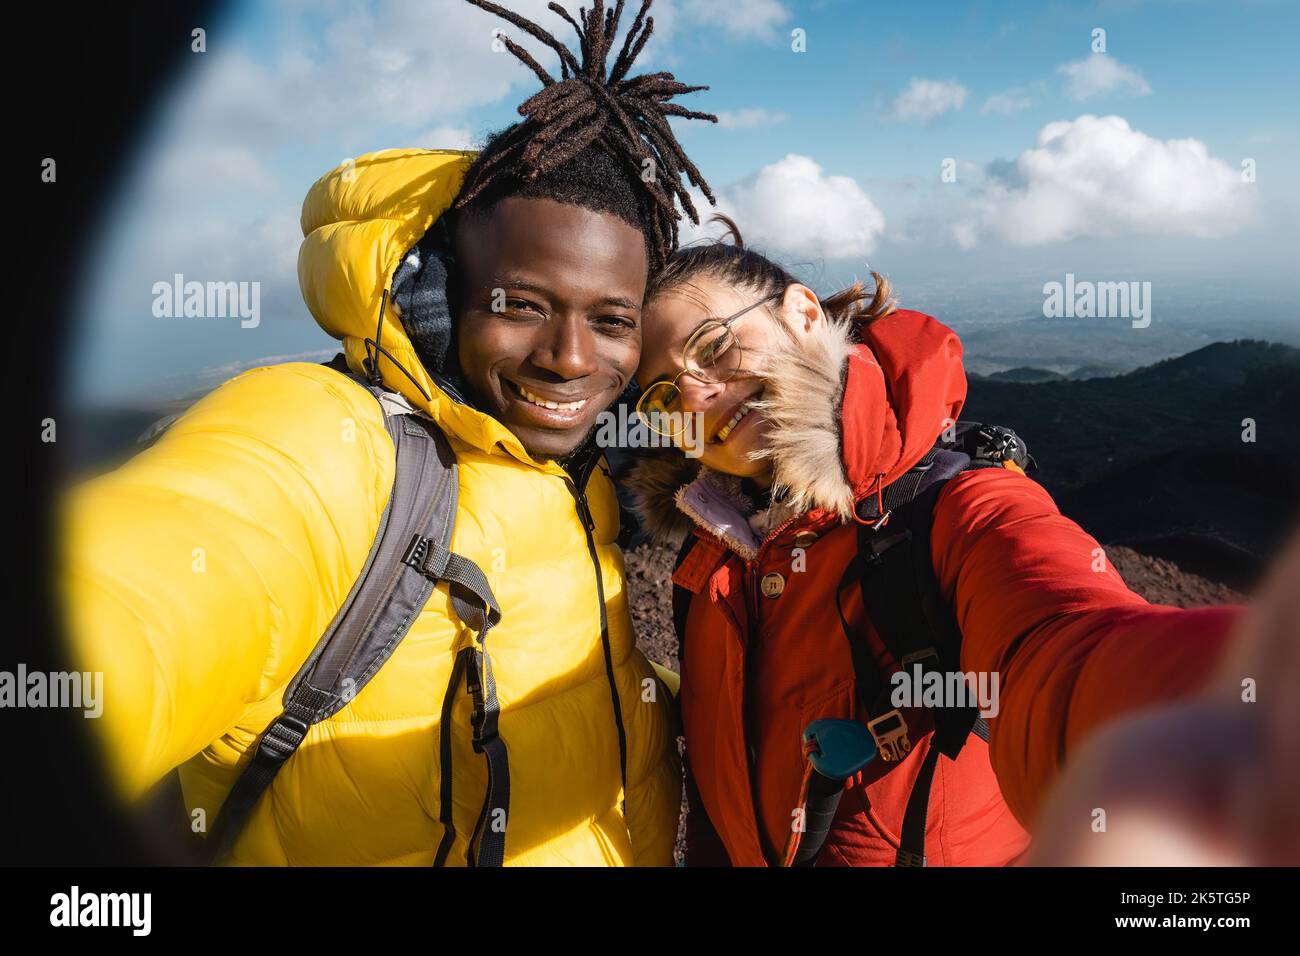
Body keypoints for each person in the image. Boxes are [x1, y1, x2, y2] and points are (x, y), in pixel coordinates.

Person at [60, 0, 716, 866]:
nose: (568, 358)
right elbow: (137, 597)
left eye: (611, 320)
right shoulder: (325, 444)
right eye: (520, 305)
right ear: (440, 295)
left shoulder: (585, 477)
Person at [625, 218, 1242, 866]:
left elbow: (1064, 641)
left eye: (715, 347)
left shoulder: (950, 506)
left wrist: (1220, 719)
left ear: (803, 314)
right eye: (664, 396)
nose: (697, 393)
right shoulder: (709, 557)